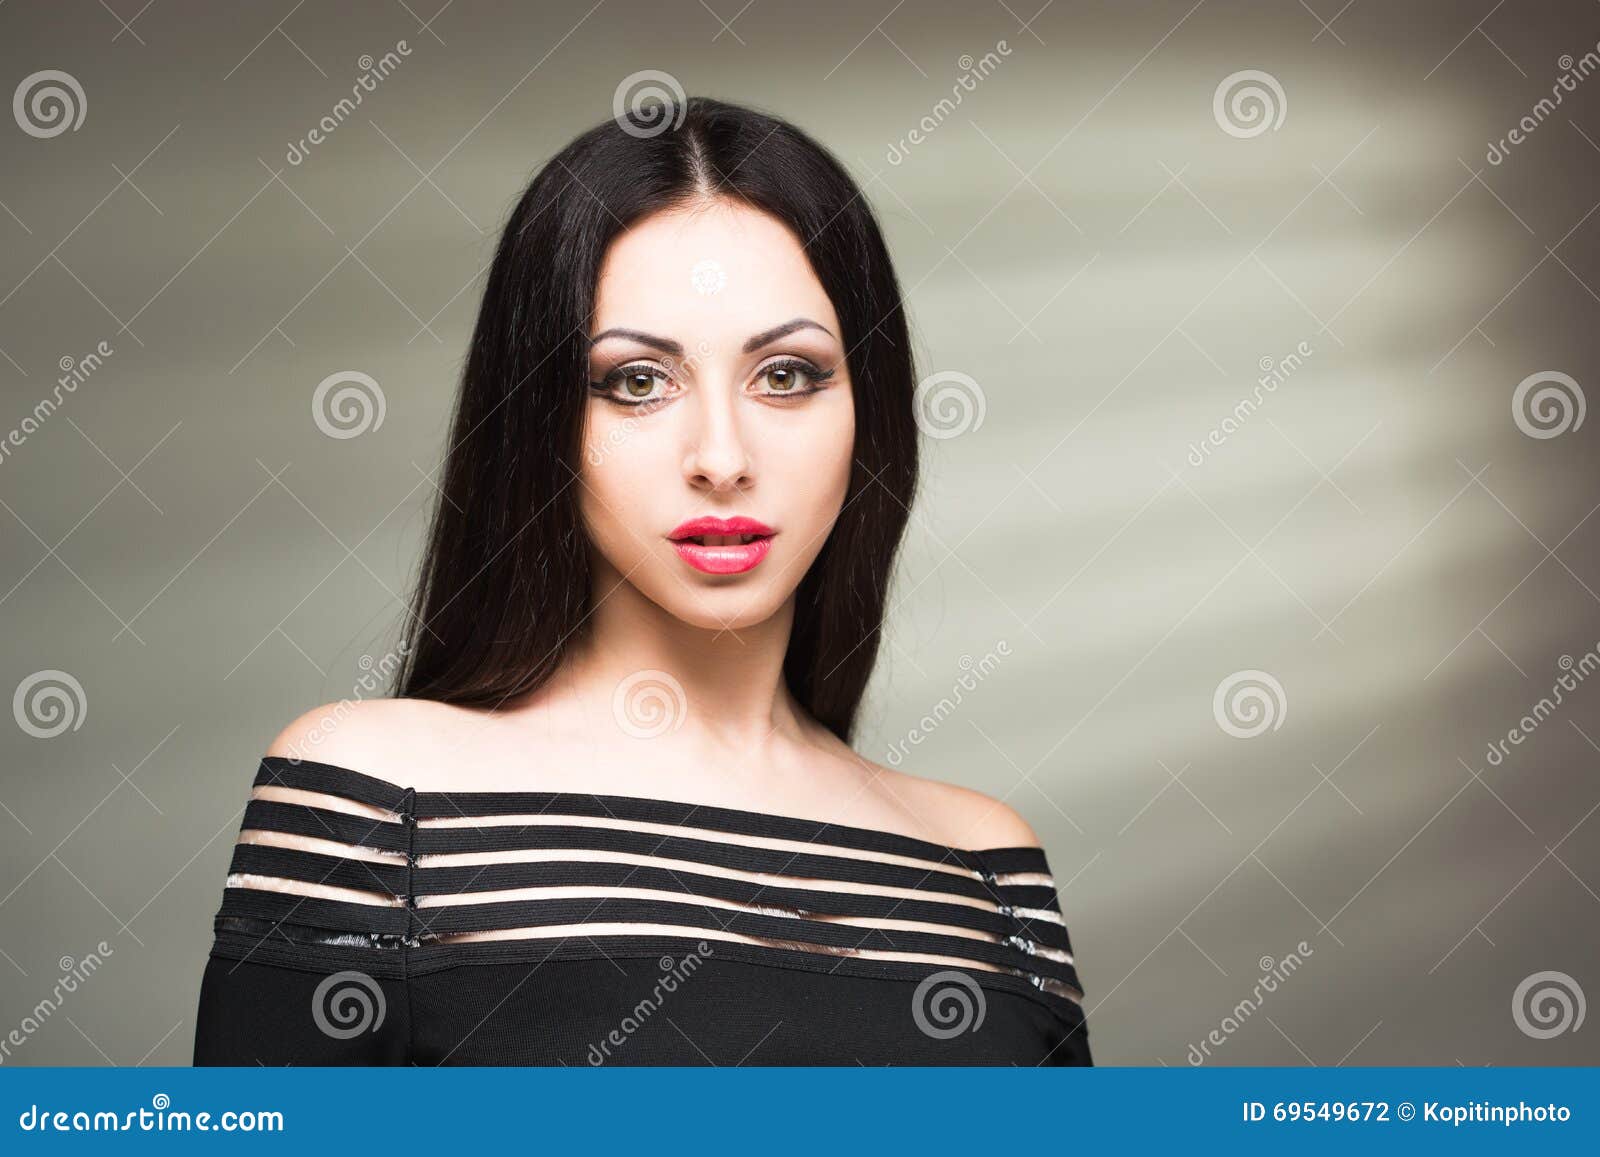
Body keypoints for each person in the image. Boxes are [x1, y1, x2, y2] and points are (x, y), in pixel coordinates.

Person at [192, 95, 1091, 1066]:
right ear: (541, 416)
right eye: (635, 381)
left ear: (869, 409)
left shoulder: (981, 861)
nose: (719, 455)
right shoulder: (379, 806)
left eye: (786, 374)